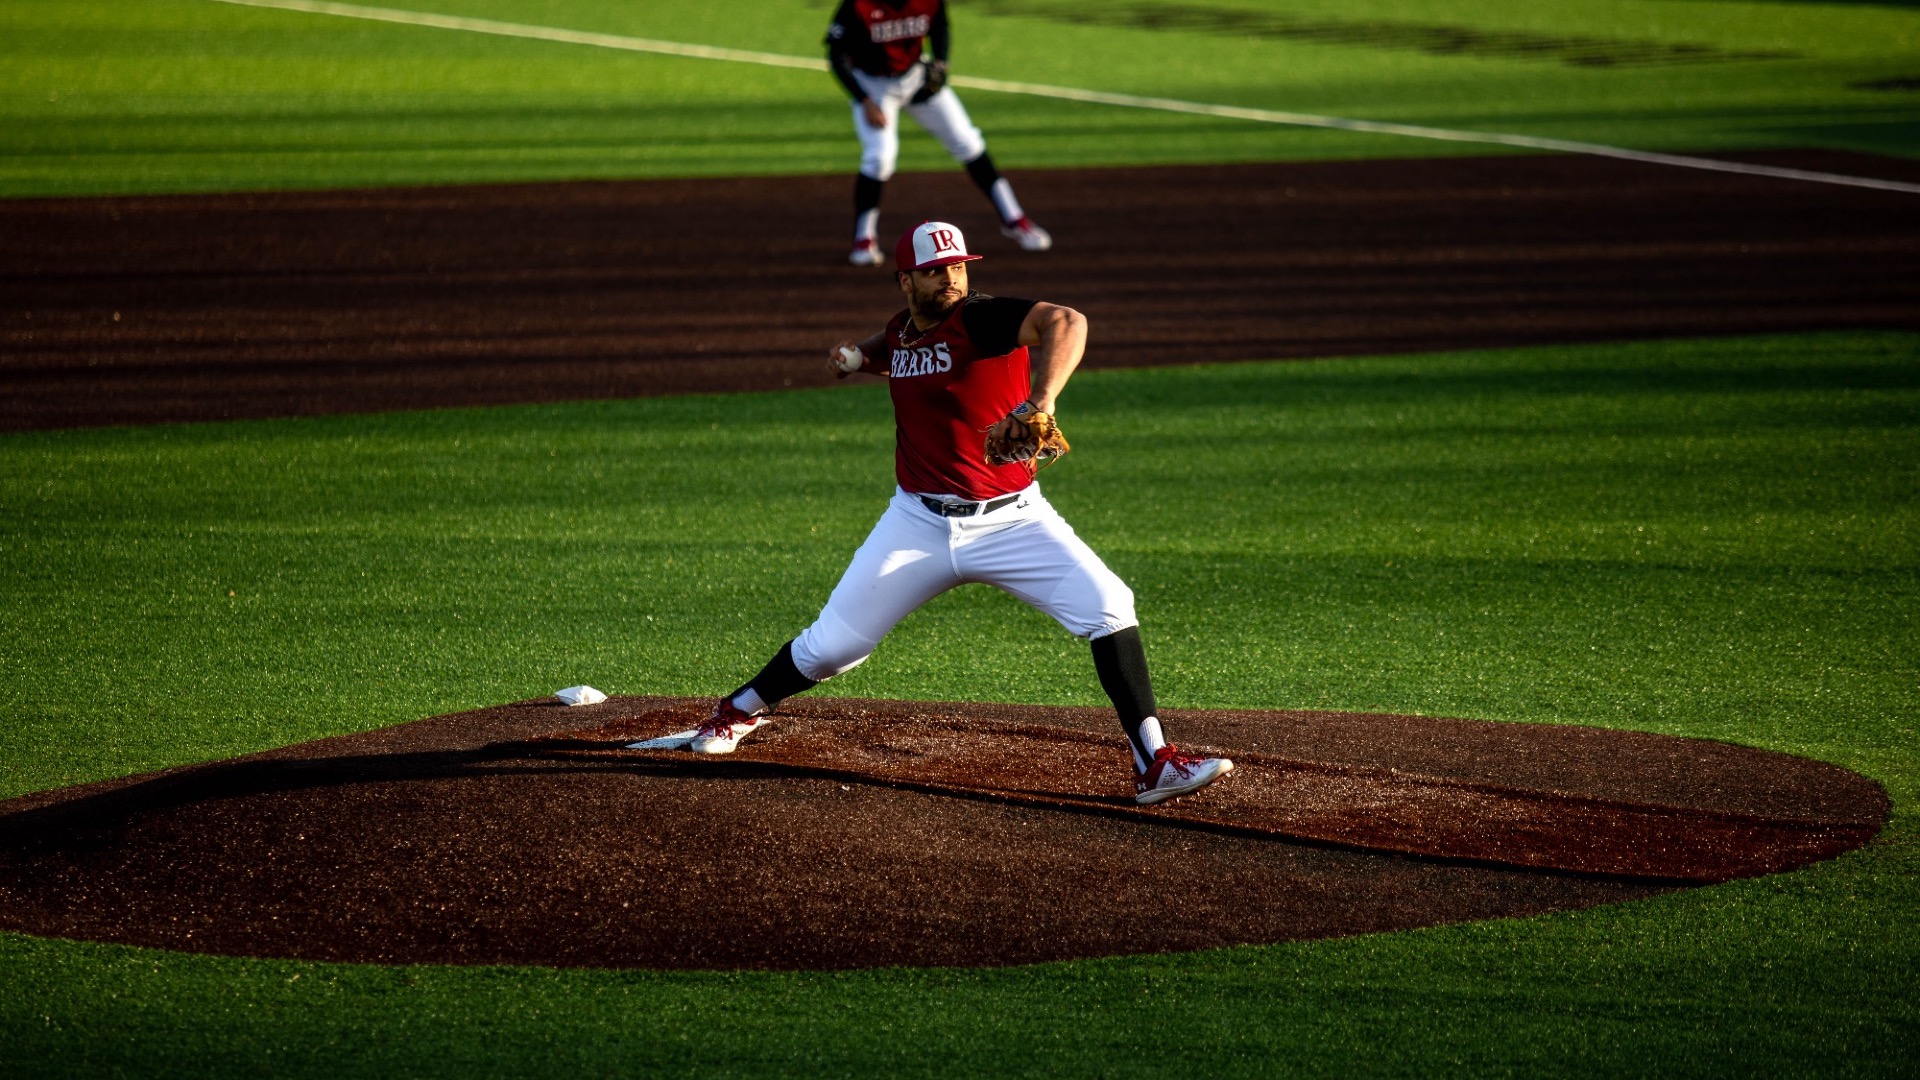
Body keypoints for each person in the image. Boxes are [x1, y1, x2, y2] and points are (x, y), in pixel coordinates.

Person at [651, 221, 1232, 807]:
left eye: (958, 266)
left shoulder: (981, 319)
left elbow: (1068, 322)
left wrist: (1040, 401)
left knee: (1109, 605)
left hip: (1014, 521)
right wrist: (856, 356)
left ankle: (1153, 762)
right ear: (905, 279)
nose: (951, 278)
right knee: (831, 648)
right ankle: (737, 711)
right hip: (917, 524)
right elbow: (898, 350)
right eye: (935, 271)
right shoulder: (902, 328)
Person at [826, 0, 1053, 266]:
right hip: (873, 87)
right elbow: (836, 55)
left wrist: (941, 63)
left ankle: (1014, 219)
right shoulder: (859, 5)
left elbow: (940, 26)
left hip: (916, 78)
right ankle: (864, 239)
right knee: (879, 158)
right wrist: (864, 100)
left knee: (968, 142)